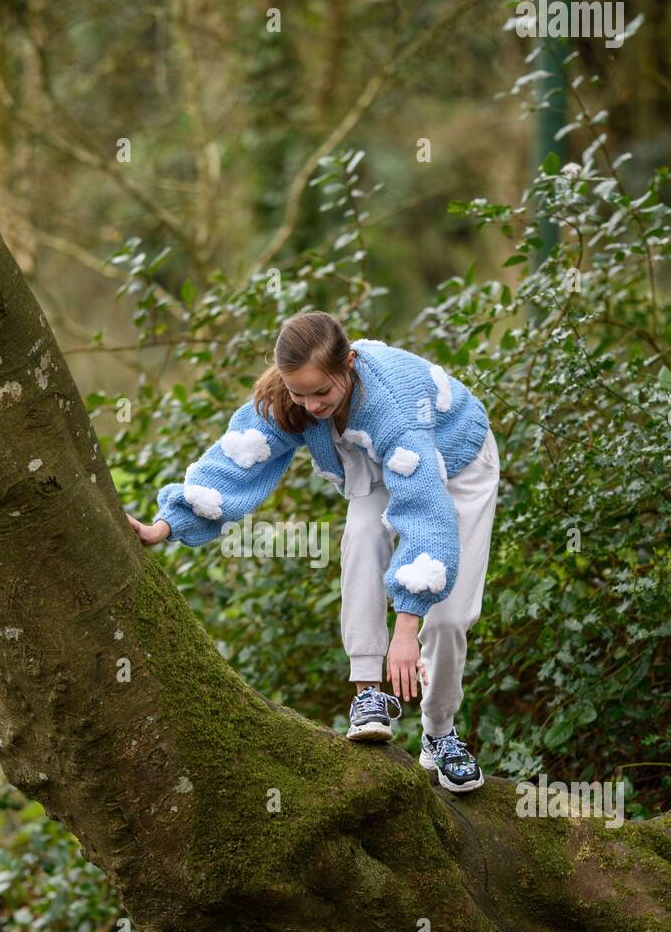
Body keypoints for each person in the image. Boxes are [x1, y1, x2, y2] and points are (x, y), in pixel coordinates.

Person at [126, 311, 499, 792]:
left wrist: (407, 624)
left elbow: (427, 514)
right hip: (378, 463)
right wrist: (166, 525)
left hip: (457, 464)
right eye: (298, 392)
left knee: (446, 620)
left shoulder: (392, 407)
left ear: (348, 363)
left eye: (321, 392)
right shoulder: (291, 398)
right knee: (363, 537)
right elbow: (236, 459)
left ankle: (439, 735)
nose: (310, 405)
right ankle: (368, 694)